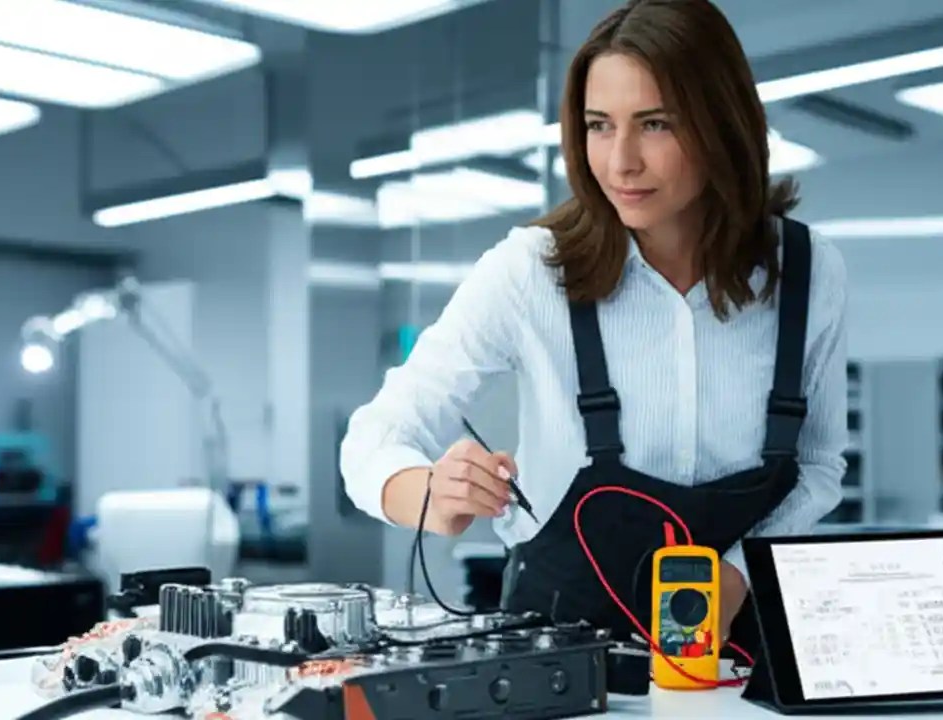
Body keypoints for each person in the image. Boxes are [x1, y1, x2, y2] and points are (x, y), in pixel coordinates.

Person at [340, 0, 848, 650]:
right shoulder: (530, 271)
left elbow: (818, 466)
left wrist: (738, 574)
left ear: (722, 123)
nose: (621, 162)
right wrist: (430, 494)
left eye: (655, 124)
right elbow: (372, 440)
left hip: (743, 658)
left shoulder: (809, 272)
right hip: (559, 658)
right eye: (599, 126)